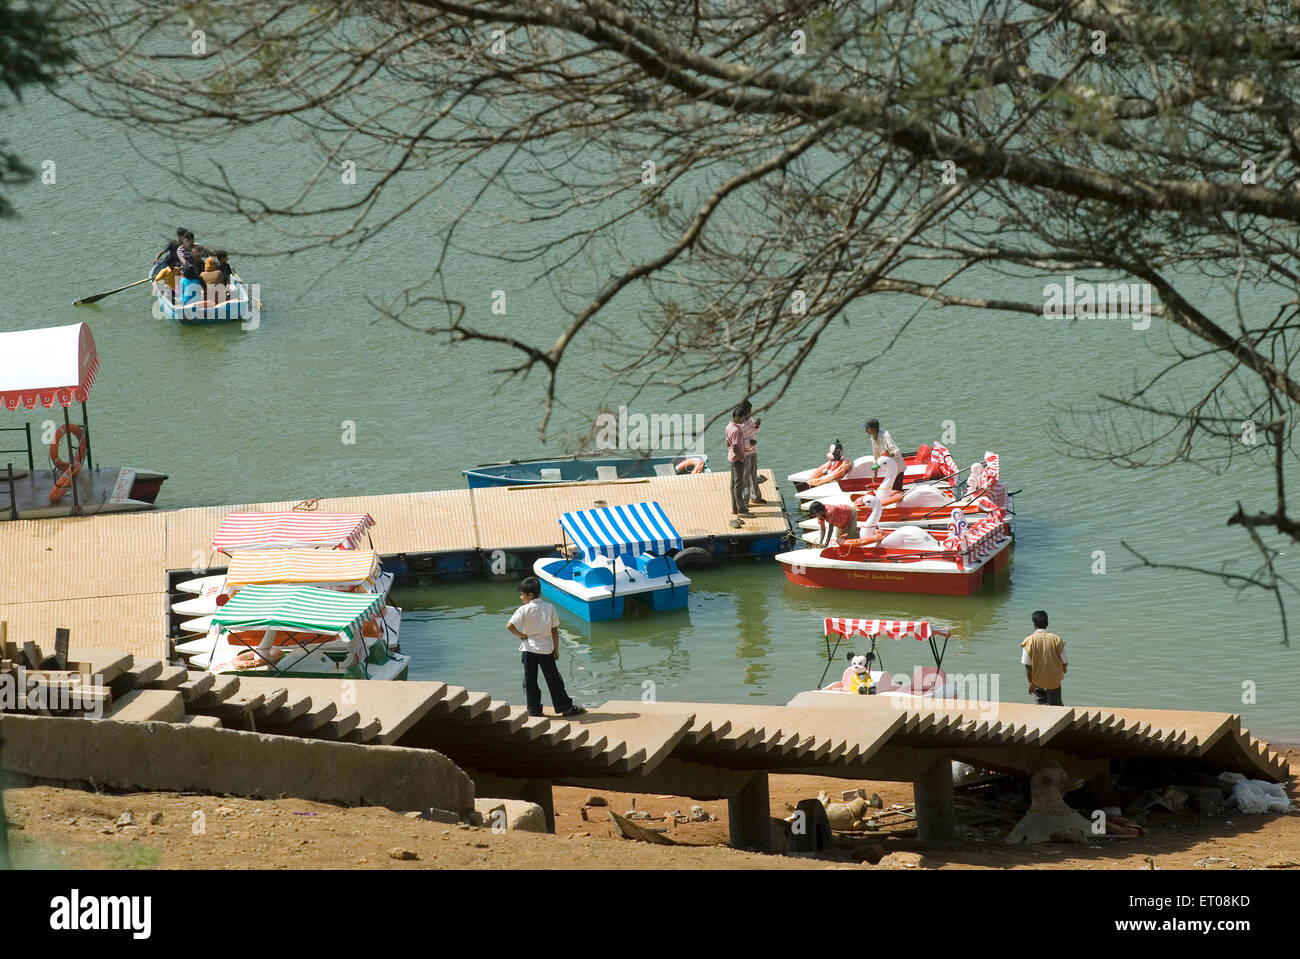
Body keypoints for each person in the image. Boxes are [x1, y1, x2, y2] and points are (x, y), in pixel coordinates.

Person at [507, 577, 587, 718]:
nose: (521, 597)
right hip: (546, 650)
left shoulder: (523, 610)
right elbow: (554, 630)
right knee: (554, 680)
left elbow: (510, 626)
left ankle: (534, 710)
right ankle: (565, 708)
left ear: (530, 595)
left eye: (522, 594)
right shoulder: (549, 608)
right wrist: (556, 649)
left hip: (529, 650)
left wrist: (521, 635)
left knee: (530, 681)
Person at [1021, 610, 1068, 706]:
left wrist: (1030, 683)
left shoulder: (1029, 641)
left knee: (1041, 705)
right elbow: (1065, 661)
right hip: (1054, 680)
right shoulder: (1056, 639)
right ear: (1047, 623)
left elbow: (1028, 665)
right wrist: (1064, 669)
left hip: (1037, 681)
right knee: (1056, 705)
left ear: (1034, 625)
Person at [864, 418, 905, 495]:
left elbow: (897, 451)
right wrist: (875, 474)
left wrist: (889, 455)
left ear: (874, 428)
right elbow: (876, 457)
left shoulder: (886, 435)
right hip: (888, 471)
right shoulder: (872, 439)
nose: (866, 430)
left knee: (896, 493)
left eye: (867, 428)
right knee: (890, 492)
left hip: (897, 469)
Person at [725, 406, 751, 527]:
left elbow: (728, 443)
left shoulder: (729, 426)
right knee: (738, 485)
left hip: (731, 457)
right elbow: (735, 447)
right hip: (737, 459)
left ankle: (735, 508)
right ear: (736, 417)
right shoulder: (736, 430)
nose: (743, 420)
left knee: (733, 484)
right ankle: (741, 510)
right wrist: (741, 458)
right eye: (742, 418)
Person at [739, 399, 764, 506]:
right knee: (745, 478)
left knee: (753, 475)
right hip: (745, 454)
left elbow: (754, 430)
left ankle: (756, 497)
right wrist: (749, 443)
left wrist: (757, 425)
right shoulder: (739, 424)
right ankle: (744, 502)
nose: (750, 412)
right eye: (749, 410)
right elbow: (737, 442)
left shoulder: (750, 419)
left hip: (753, 451)